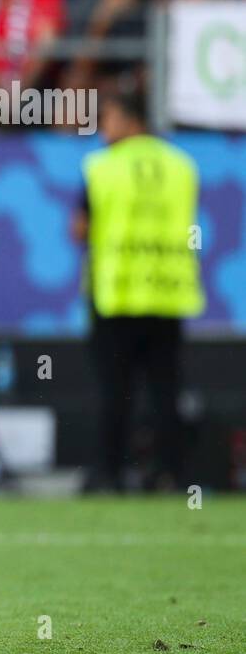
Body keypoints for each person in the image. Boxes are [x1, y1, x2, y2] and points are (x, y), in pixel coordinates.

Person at [75, 87, 204, 492]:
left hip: (116, 293)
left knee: (114, 392)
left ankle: (109, 475)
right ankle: (171, 474)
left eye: (109, 118)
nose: (102, 128)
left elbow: (81, 227)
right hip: (167, 292)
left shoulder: (102, 166)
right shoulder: (182, 166)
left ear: (133, 121)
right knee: (167, 391)